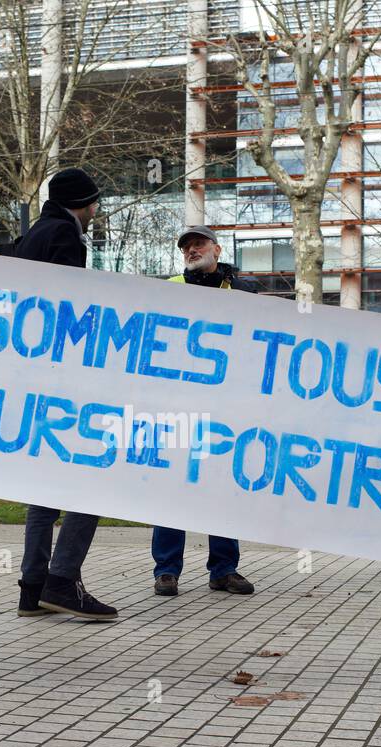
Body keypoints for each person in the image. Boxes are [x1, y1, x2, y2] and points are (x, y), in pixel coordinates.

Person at [11, 168, 117, 621]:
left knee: (44, 488)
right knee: (90, 483)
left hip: (33, 376)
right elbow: (72, 307)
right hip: (62, 378)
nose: (95, 211)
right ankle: (63, 580)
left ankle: (32, 589)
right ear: (85, 204)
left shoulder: (33, 234)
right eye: (94, 203)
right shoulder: (64, 237)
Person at [152, 225, 258, 597]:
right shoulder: (168, 289)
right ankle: (166, 571)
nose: (191, 251)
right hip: (178, 406)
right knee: (171, 488)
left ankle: (224, 570)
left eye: (197, 244)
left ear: (216, 249)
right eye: (186, 247)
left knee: (221, 487)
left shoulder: (245, 292)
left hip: (226, 408)